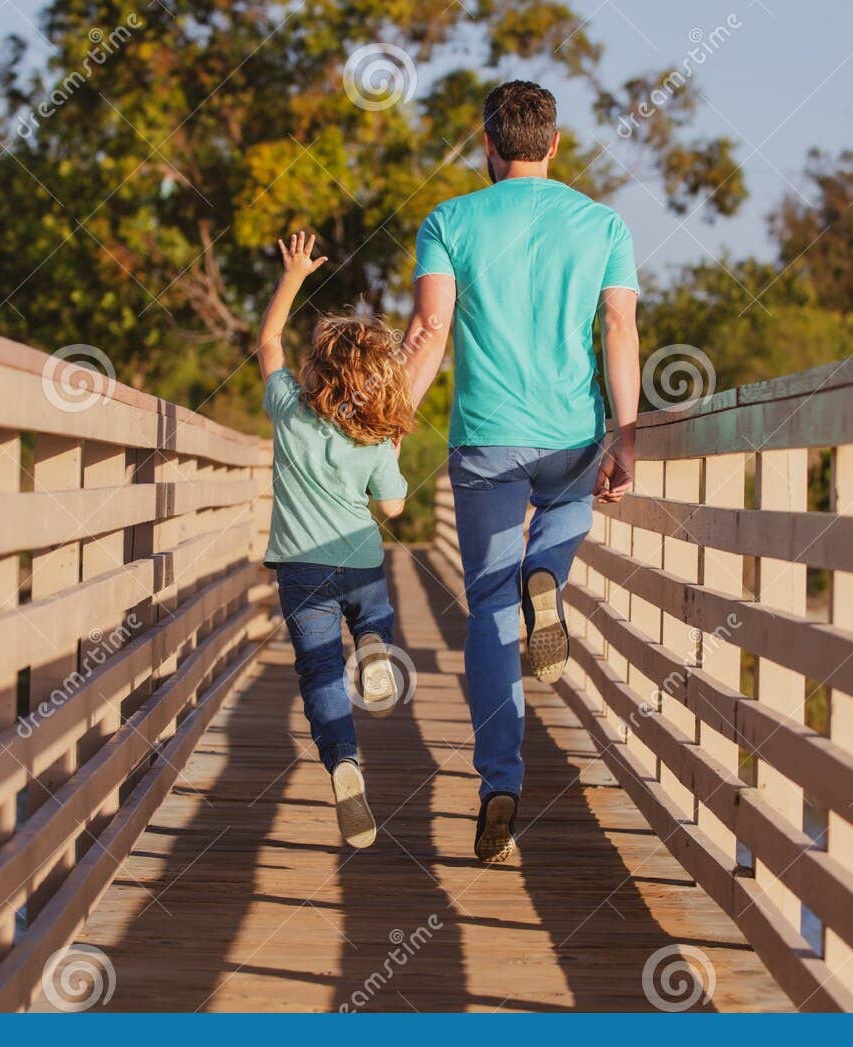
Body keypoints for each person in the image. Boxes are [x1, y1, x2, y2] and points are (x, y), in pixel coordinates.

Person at [400, 80, 641, 865]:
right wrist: (625, 434)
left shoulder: (450, 220)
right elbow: (618, 326)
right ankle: (551, 579)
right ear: (555, 144)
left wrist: (387, 422)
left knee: (488, 611)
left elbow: (431, 330)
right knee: (562, 531)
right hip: (573, 437)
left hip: (485, 441)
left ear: (488, 146)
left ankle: (498, 780)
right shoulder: (602, 223)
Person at [258, 231, 414, 850]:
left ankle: (343, 763)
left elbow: (268, 341)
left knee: (320, 670)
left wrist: (294, 275)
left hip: (302, 573)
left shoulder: (291, 411)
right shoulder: (374, 441)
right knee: (374, 623)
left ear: (317, 370)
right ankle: (374, 648)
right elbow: (395, 505)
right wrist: (392, 449)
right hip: (362, 567)